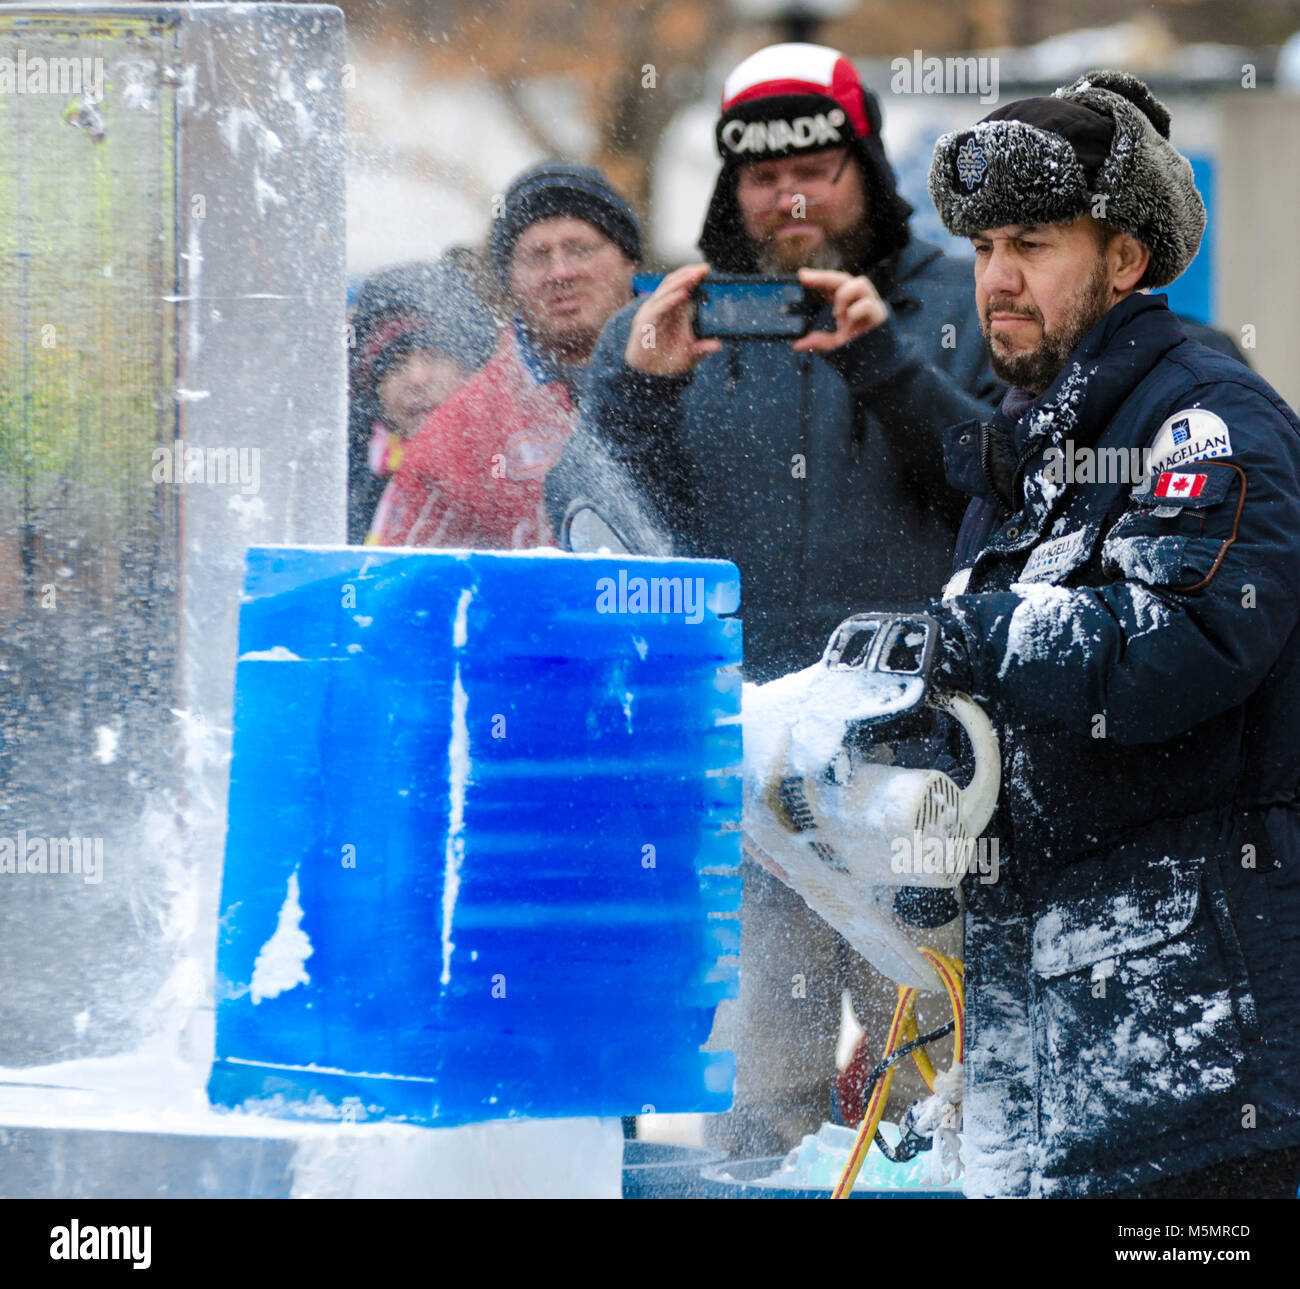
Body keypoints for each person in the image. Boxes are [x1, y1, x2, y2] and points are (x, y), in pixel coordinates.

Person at [545, 42, 1003, 1158]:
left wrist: (884, 361)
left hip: (928, 774)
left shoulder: (962, 299)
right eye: (760, 175)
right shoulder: (669, 326)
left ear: (866, 170)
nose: (789, 195)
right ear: (728, 186)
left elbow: (1002, 482)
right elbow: (581, 519)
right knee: (763, 1093)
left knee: (956, 1079)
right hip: (747, 778)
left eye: (818, 166)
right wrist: (633, 392)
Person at [892, 69, 1300, 1197]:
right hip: (1047, 1053)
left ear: (1124, 260)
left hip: (1200, 1065)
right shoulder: (1028, 461)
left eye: (1032, 242)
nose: (996, 279)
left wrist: (966, 643)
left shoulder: (1204, 422)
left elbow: (1185, 635)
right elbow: (1004, 720)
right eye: (979, 249)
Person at [368, 163, 640, 549]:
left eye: (580, 249)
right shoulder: (457, 436)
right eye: (536, 256)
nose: (559, 271)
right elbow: (406, 590)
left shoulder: (708, 369)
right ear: (509, 281)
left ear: (630, 259)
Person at [347, 252, 497, 543]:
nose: (417, 379)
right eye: (395, 362)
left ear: (472, 367)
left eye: (436, 356)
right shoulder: (351, 472)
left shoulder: (509, 467)